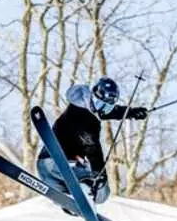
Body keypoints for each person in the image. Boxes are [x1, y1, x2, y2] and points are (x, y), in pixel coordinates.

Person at [37, 76, 148, 206]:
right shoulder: (81, 115)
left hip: (59, 173)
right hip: (55, 164)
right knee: (97, 184)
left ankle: (73, 201)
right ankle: (85, 196)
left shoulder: (88, 106)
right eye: (99, 104)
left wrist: (132, 112)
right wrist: (98, 174)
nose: (101, 109)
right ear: (92, 96)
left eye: (106, 107)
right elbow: (92, 148)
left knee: (103, 193)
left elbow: (111, 112)